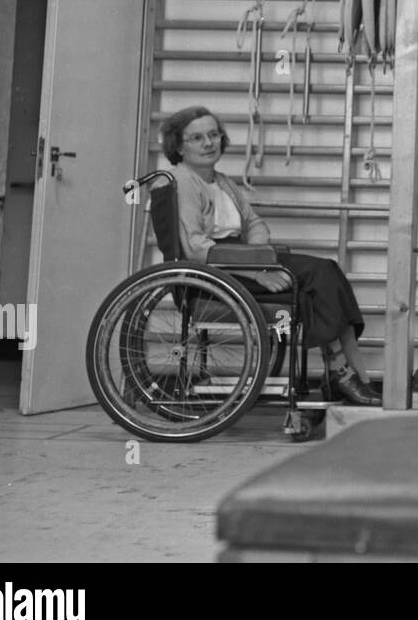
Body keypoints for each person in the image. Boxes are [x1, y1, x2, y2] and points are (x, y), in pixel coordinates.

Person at [160, 105, 380, 406]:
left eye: (213, 134)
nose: (209, 143)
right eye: (197, 138)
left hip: (243, 260)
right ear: (179, 147)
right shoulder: (182, 180)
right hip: (215, 273)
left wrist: (258, 258)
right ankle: (342, 372)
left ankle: (345, 372)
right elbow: (196, 247)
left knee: (327, 271)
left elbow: (254, 224)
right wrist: (255, 270)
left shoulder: (222, 181)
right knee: (319, 277)